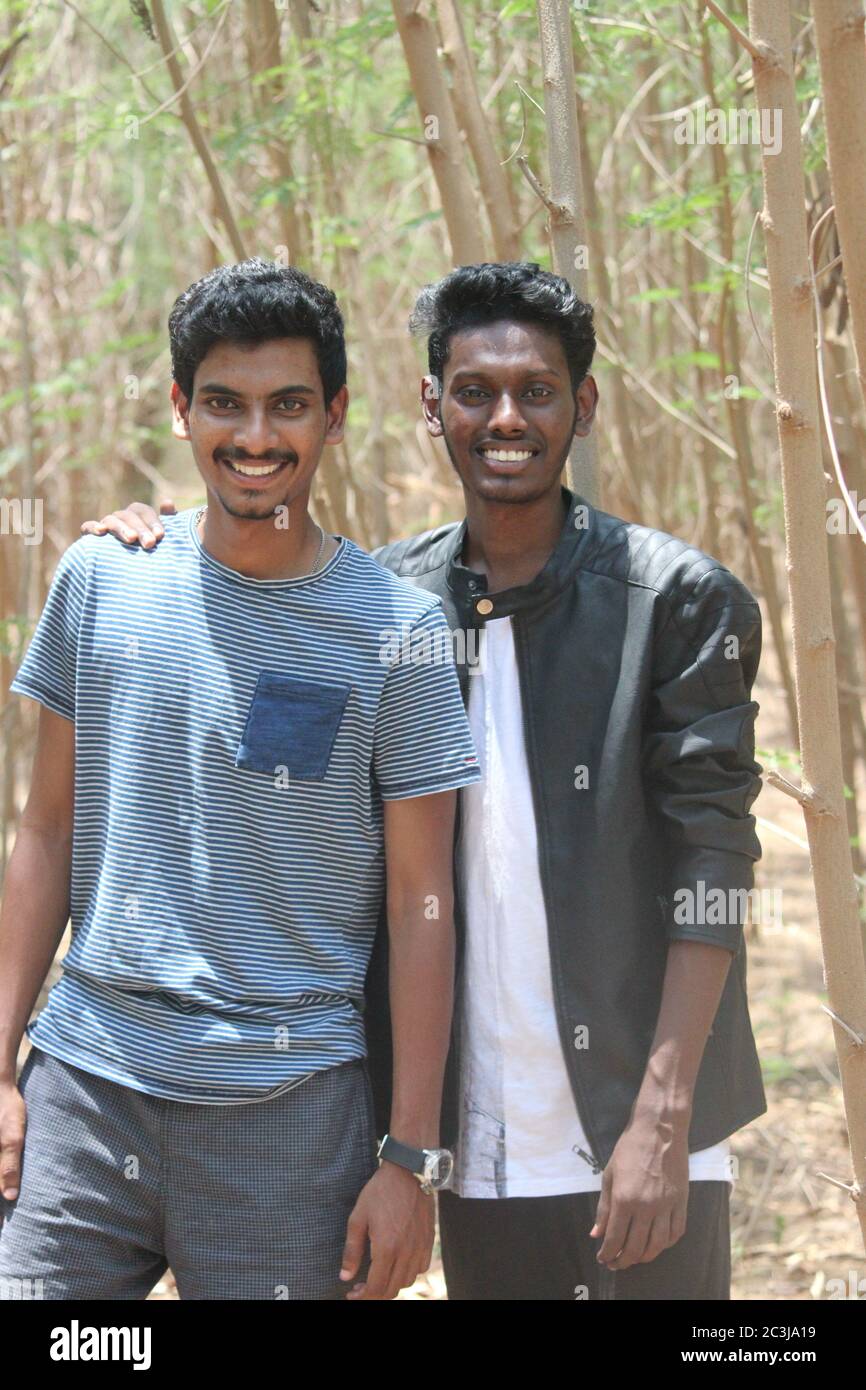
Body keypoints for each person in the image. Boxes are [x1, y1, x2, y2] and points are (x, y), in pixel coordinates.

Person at [75, 261, 767, 1301]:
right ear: (427, 405)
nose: (503, 417)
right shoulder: (378, 606)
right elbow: (275, 763)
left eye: (535, 390)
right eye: (473, 391)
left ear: (580, 407)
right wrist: (169, 539)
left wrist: (661, 1120)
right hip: (473, 1145)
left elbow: (713, 865)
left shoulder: (672, 601)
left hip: (636, 1129)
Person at [0, 259, 481, 1301]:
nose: (254, 437)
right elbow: (43, 832)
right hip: (84, 1094)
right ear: (181, 410)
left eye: (286, 406)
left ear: (335, 416)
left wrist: (408, 1156)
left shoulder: (396, 634)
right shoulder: (101, 579)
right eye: (223, 403)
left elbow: (420, 901)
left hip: (290, 1113)